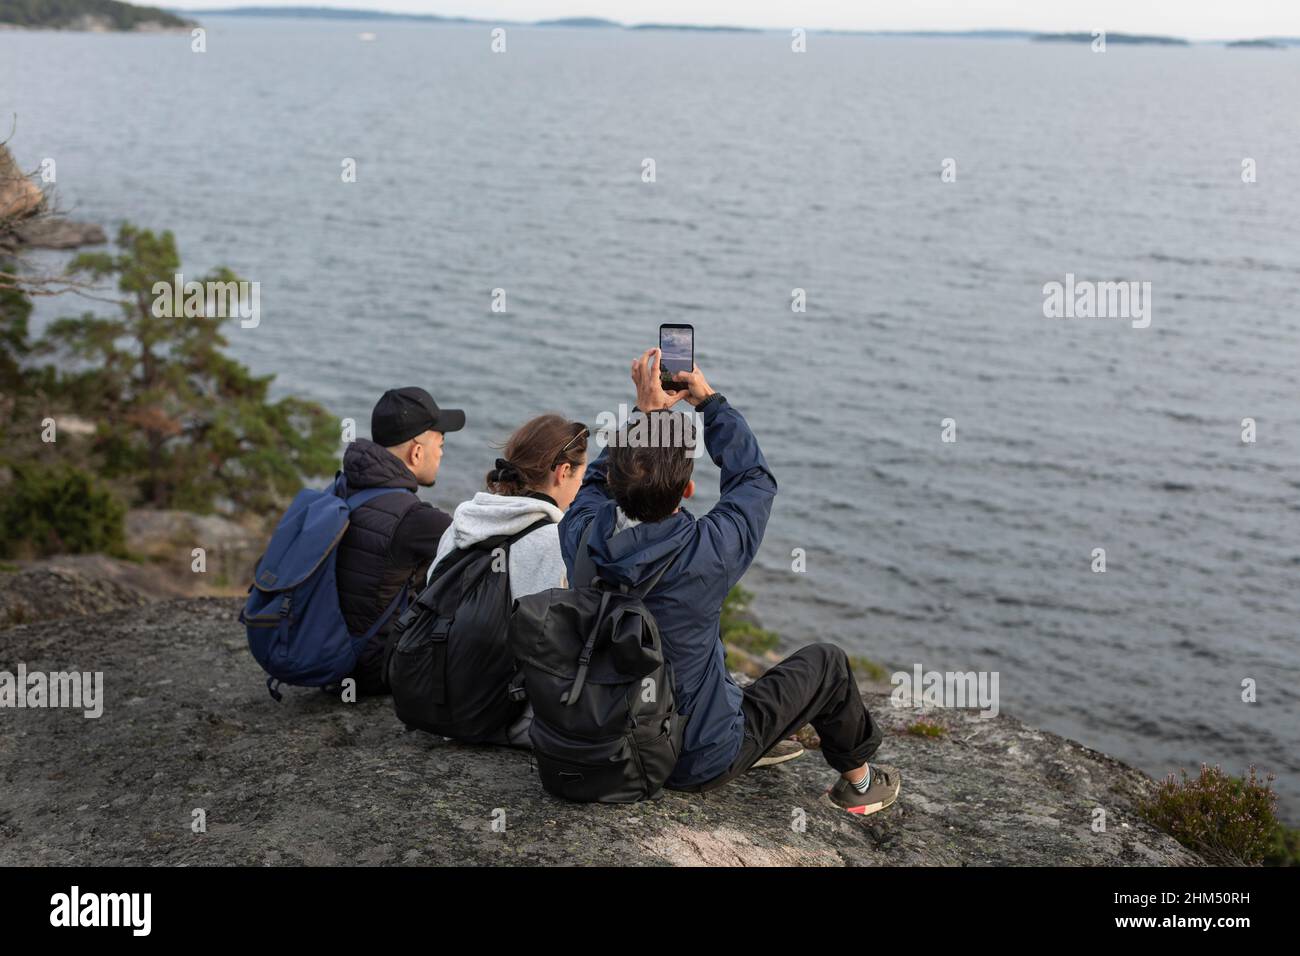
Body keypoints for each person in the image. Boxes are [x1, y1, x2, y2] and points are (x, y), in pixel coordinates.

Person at [557, 349, 900, 814]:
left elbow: (593, 486)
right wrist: (710, 402)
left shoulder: (578, 532)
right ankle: (860, 787)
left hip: (603, 744)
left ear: (615, 479)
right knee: (828, 665)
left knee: (712, 667)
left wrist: (646, 414)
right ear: (688, 489)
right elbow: (753, 480)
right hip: (693, 759)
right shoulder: (708, 552)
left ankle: (764, 738)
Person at [426, 414, 588, 745]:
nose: (582, 487)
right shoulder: (557, 543)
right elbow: (558, 653)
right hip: (509, 722)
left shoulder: (461, 524)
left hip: (439, 702)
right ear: (563, 472)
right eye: (581, 476)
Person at [335, 386, 464, 696]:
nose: (442, 454)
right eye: (441, 444)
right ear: (416, 452)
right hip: (373, 669)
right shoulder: (417, 519)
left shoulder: (342, 488)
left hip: (332, 654)